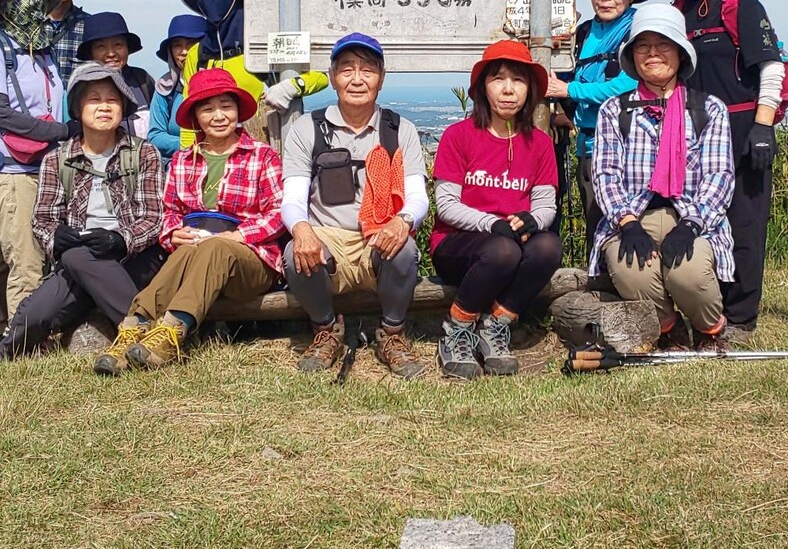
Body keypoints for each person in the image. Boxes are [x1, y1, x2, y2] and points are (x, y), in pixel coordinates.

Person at [0, 62, 164, 369]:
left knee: (75, 261)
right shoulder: (58, 158)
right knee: (37, 311)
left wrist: (121, 240)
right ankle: (150, 335)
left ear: (123, 107)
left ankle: (3, 354)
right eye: (94, 99)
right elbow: (43, 219)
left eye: (112, 100)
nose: (104, 107)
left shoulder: (143, 153)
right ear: (78, 109)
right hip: (81, 258)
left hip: (133, 258)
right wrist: (56, 238)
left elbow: (153, 217)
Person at [118, 67, 289, 373]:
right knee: (190, 249)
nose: (219, 116)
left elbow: (278, 213)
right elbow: (169, 211)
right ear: (196, 117)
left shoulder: (261, 156)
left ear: (238, 110)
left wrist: (238, 236)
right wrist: (174, 234)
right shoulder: (184, 159)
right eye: (208, 109)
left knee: (215, 247)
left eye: (226, 106)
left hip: (251, 262)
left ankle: (171, 333)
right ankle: (135, 326)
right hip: (195, 255)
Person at [589, 3, 737, 350]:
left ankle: (710, 328)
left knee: (689, 274)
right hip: (632, 216)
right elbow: (605, 174)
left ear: (681, 54)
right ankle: (669, 329)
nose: (652, 53)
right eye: (643, 46)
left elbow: (719, 176)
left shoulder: (707, 109)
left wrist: (690, 225)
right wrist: (626, 223)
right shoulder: (615, 110)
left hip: (690, 215)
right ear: (633, 56)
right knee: (630, 270)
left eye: (663, 45)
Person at [666, 0, 785, 343]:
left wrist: (762, 127)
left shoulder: (741, 2)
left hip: (742, 124)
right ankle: (707, 308)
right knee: (698, 216)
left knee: (745, 221)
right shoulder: (678, 10)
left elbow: (771, 64)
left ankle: (741, 317)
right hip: (691, 127)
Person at [280, 33, 428, 379]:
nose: (357, 79)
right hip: (328, 236)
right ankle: (326, 329)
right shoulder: (308, 129)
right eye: (347, 69)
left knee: (404, 248)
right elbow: (293, 198)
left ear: (382, 77)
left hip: (379, 236)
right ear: (332, 77)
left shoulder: (398, 129)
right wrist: (301, 230)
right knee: (294, 253)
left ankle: (392, 334)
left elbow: (417, 196)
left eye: (367, 69)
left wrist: (402, 220)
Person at [431, 41, 562, 380]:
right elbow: (446, 205)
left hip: (511, 245)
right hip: (458, 246)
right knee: (502, 249)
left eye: (518, 80)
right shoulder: (458, 136)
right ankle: (457, 329)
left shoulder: (540, 143)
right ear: (482, 87)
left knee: (548, 246)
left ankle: (496, 324)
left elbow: (546, 204)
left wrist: (534, 219)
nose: (508, 90)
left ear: (529, 90)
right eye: (497, 79)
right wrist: (491, 224)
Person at [0, 0, 71, 339]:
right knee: (27, 258)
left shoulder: (41, 49)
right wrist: (61, 131)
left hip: (38, 166)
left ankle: (4, 329)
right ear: (1, 2)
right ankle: (24, 341)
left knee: (4, 258)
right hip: (10, 168)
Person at [170, 0, 325, 145]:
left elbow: (321, 75)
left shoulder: (264, 39)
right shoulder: (197, 53)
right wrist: (188, 157)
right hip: (214, 156)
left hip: (271, 147)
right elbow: (190, 117)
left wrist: (290, 87)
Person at [547, 0, 645, 236]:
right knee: (597, 226)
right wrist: (562, 110)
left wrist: (569, 90)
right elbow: (562, 75)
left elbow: (630, 84)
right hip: (589, 146)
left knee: (628, 224)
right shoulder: (585, 31)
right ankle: (599, 279)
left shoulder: (637, 29)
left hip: (630, 146)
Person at [75, 11, 153, 140]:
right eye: (101, 47)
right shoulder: (81, 86)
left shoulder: (142, 80)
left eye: (118, 45)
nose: (111, 53)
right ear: (90, 53)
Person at [149, 14, 207, 162]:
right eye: (177, 45)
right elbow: (155, 135)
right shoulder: (165, 88)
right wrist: (191, 145)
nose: (184, 51)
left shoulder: (224, 83)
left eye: (191, 43)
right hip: (177, 169)